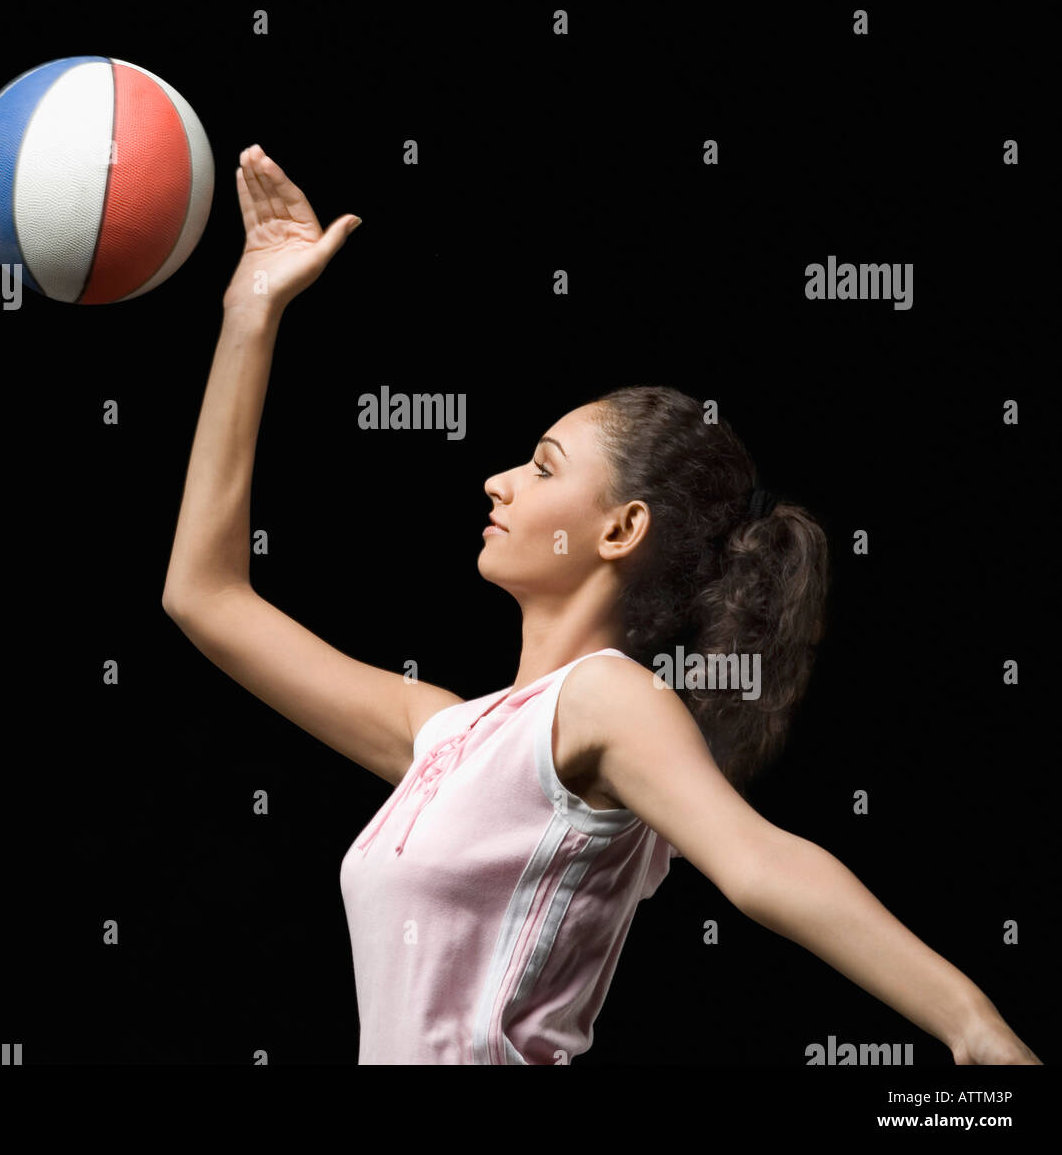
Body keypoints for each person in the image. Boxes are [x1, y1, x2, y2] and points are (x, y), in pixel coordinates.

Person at [160, 144, 1041, 1067]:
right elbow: (205, 596)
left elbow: (761, 863)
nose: (496, 481)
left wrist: (971, 1026)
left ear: (620, 530)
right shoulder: (448, 737)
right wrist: (250, 311)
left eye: (542, 466)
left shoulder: (606, 699)